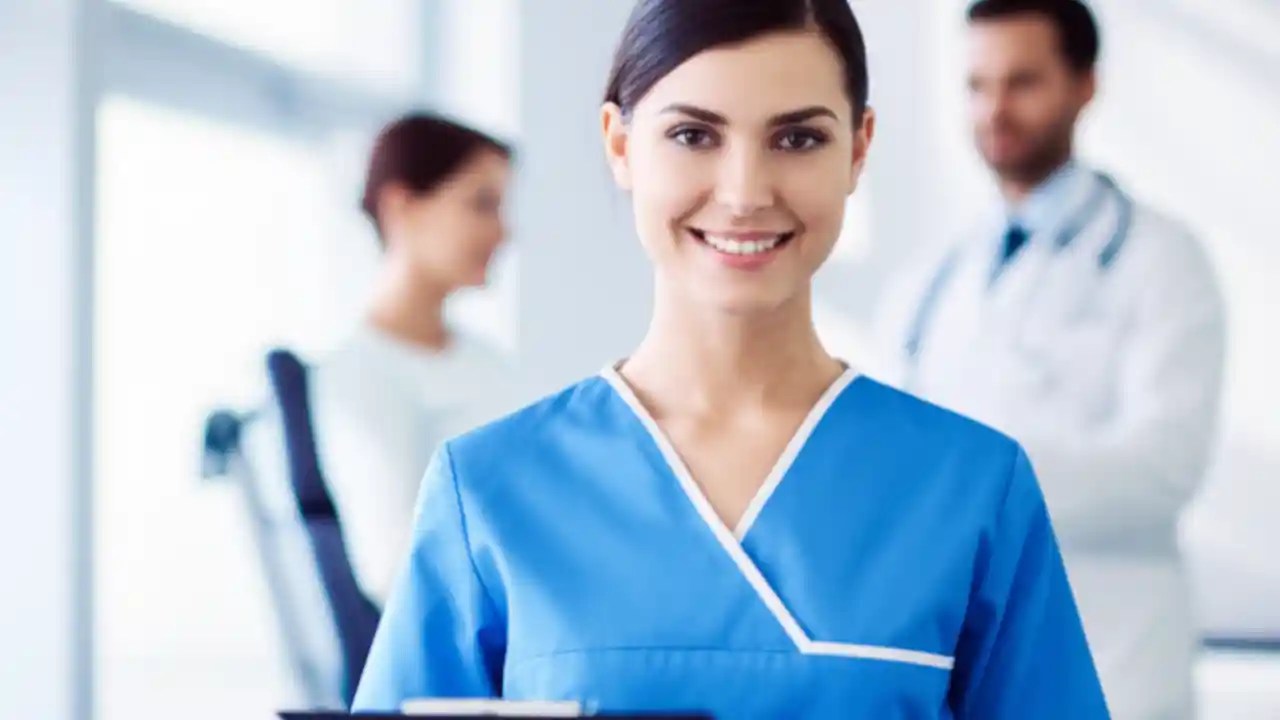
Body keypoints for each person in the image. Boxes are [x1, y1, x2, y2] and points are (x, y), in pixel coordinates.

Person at [353, 1, 1107, 717]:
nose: (745, 193)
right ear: (620, 144)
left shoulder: (973, 488)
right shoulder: (486, 491)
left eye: (798, 138)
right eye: (693, 135)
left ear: (859, 148)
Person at [874, 1, 1226, 718]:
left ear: (1085, 85)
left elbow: (1163, 468)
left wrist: (972, 479)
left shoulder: (1161, 260)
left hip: (1111, 663)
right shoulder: (935, 275)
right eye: (977, 86)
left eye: (1022, 82)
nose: (994, 109)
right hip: (965, 665)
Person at [310, 114, 517, 606]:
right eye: (482, 204)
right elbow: (392, 568)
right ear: (402, 206)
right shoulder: (359, 374)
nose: (503, 232)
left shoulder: (486, 365)